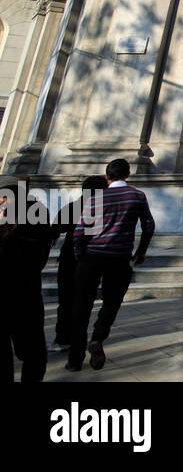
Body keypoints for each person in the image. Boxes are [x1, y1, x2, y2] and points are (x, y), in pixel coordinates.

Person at [67, 159, 155, 372]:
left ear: (108, 177)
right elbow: (149, 225)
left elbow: (80, 231)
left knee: (81, 306)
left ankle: (75, 359)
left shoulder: (97, 198)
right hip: (119, 257)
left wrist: (80, 254)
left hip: (92, 256)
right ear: (128, 174)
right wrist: (141, 250)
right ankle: (98, 336)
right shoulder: (137, 196)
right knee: (112, 301)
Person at [1, 174, 57, 382]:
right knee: (32, 353)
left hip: (22, 293)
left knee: (31, 353)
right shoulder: (37, 214)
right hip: (26, 294)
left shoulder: (29, 221)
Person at [53, 176, 108, 349]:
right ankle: (78, 341)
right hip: (92, 260)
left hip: (69, 259)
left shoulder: (72, 208)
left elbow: (54, 231)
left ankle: (62, 339)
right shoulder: (104, 211)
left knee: (65, 301)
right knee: (84, 303)